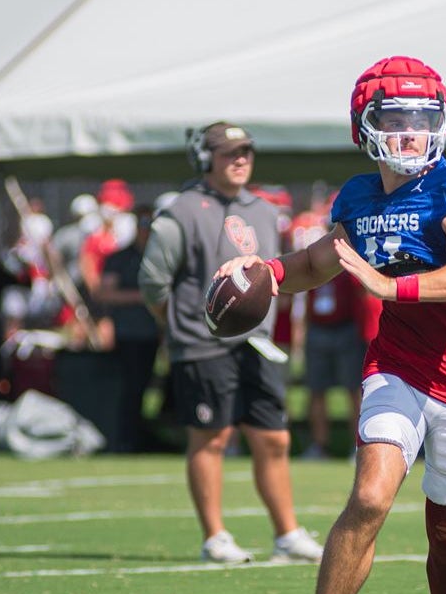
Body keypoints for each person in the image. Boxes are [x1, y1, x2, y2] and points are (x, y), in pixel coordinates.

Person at [214, 55, 446, 594]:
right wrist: (269, 272)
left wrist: (390, 287)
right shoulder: (359, 198)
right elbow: (322, 260)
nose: (408, 131)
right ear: (364, 126)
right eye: (394, 117)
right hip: (397, 366)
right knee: (370, 497)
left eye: (421, 118)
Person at [138, 121, 323, 564]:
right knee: (212, 436)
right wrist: (180, 326)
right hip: (201, 344)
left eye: (246, 152)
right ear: (206, 159)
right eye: (228, 153)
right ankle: (215, 537)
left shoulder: (263, 210)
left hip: (255, 343)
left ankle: (286, 533)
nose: (240, 159)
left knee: (273, 438)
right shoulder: (180, 210)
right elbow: (152, 282)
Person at [98, 204, 161, 453]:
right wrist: (141, 297)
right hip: (127, 333)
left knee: (145, 387)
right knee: (128, 389)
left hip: (151, 334)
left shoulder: (159, 258)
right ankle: (125, 440)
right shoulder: (120, 258)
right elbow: (105, 293)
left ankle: (138, 436)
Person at [299, 270, 368, 460]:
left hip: (346, 328)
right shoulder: (314, 263)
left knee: (354, 391)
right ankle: (319, 446)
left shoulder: (349, 267)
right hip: (318, 328)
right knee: (316, 390)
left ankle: (358, 446)